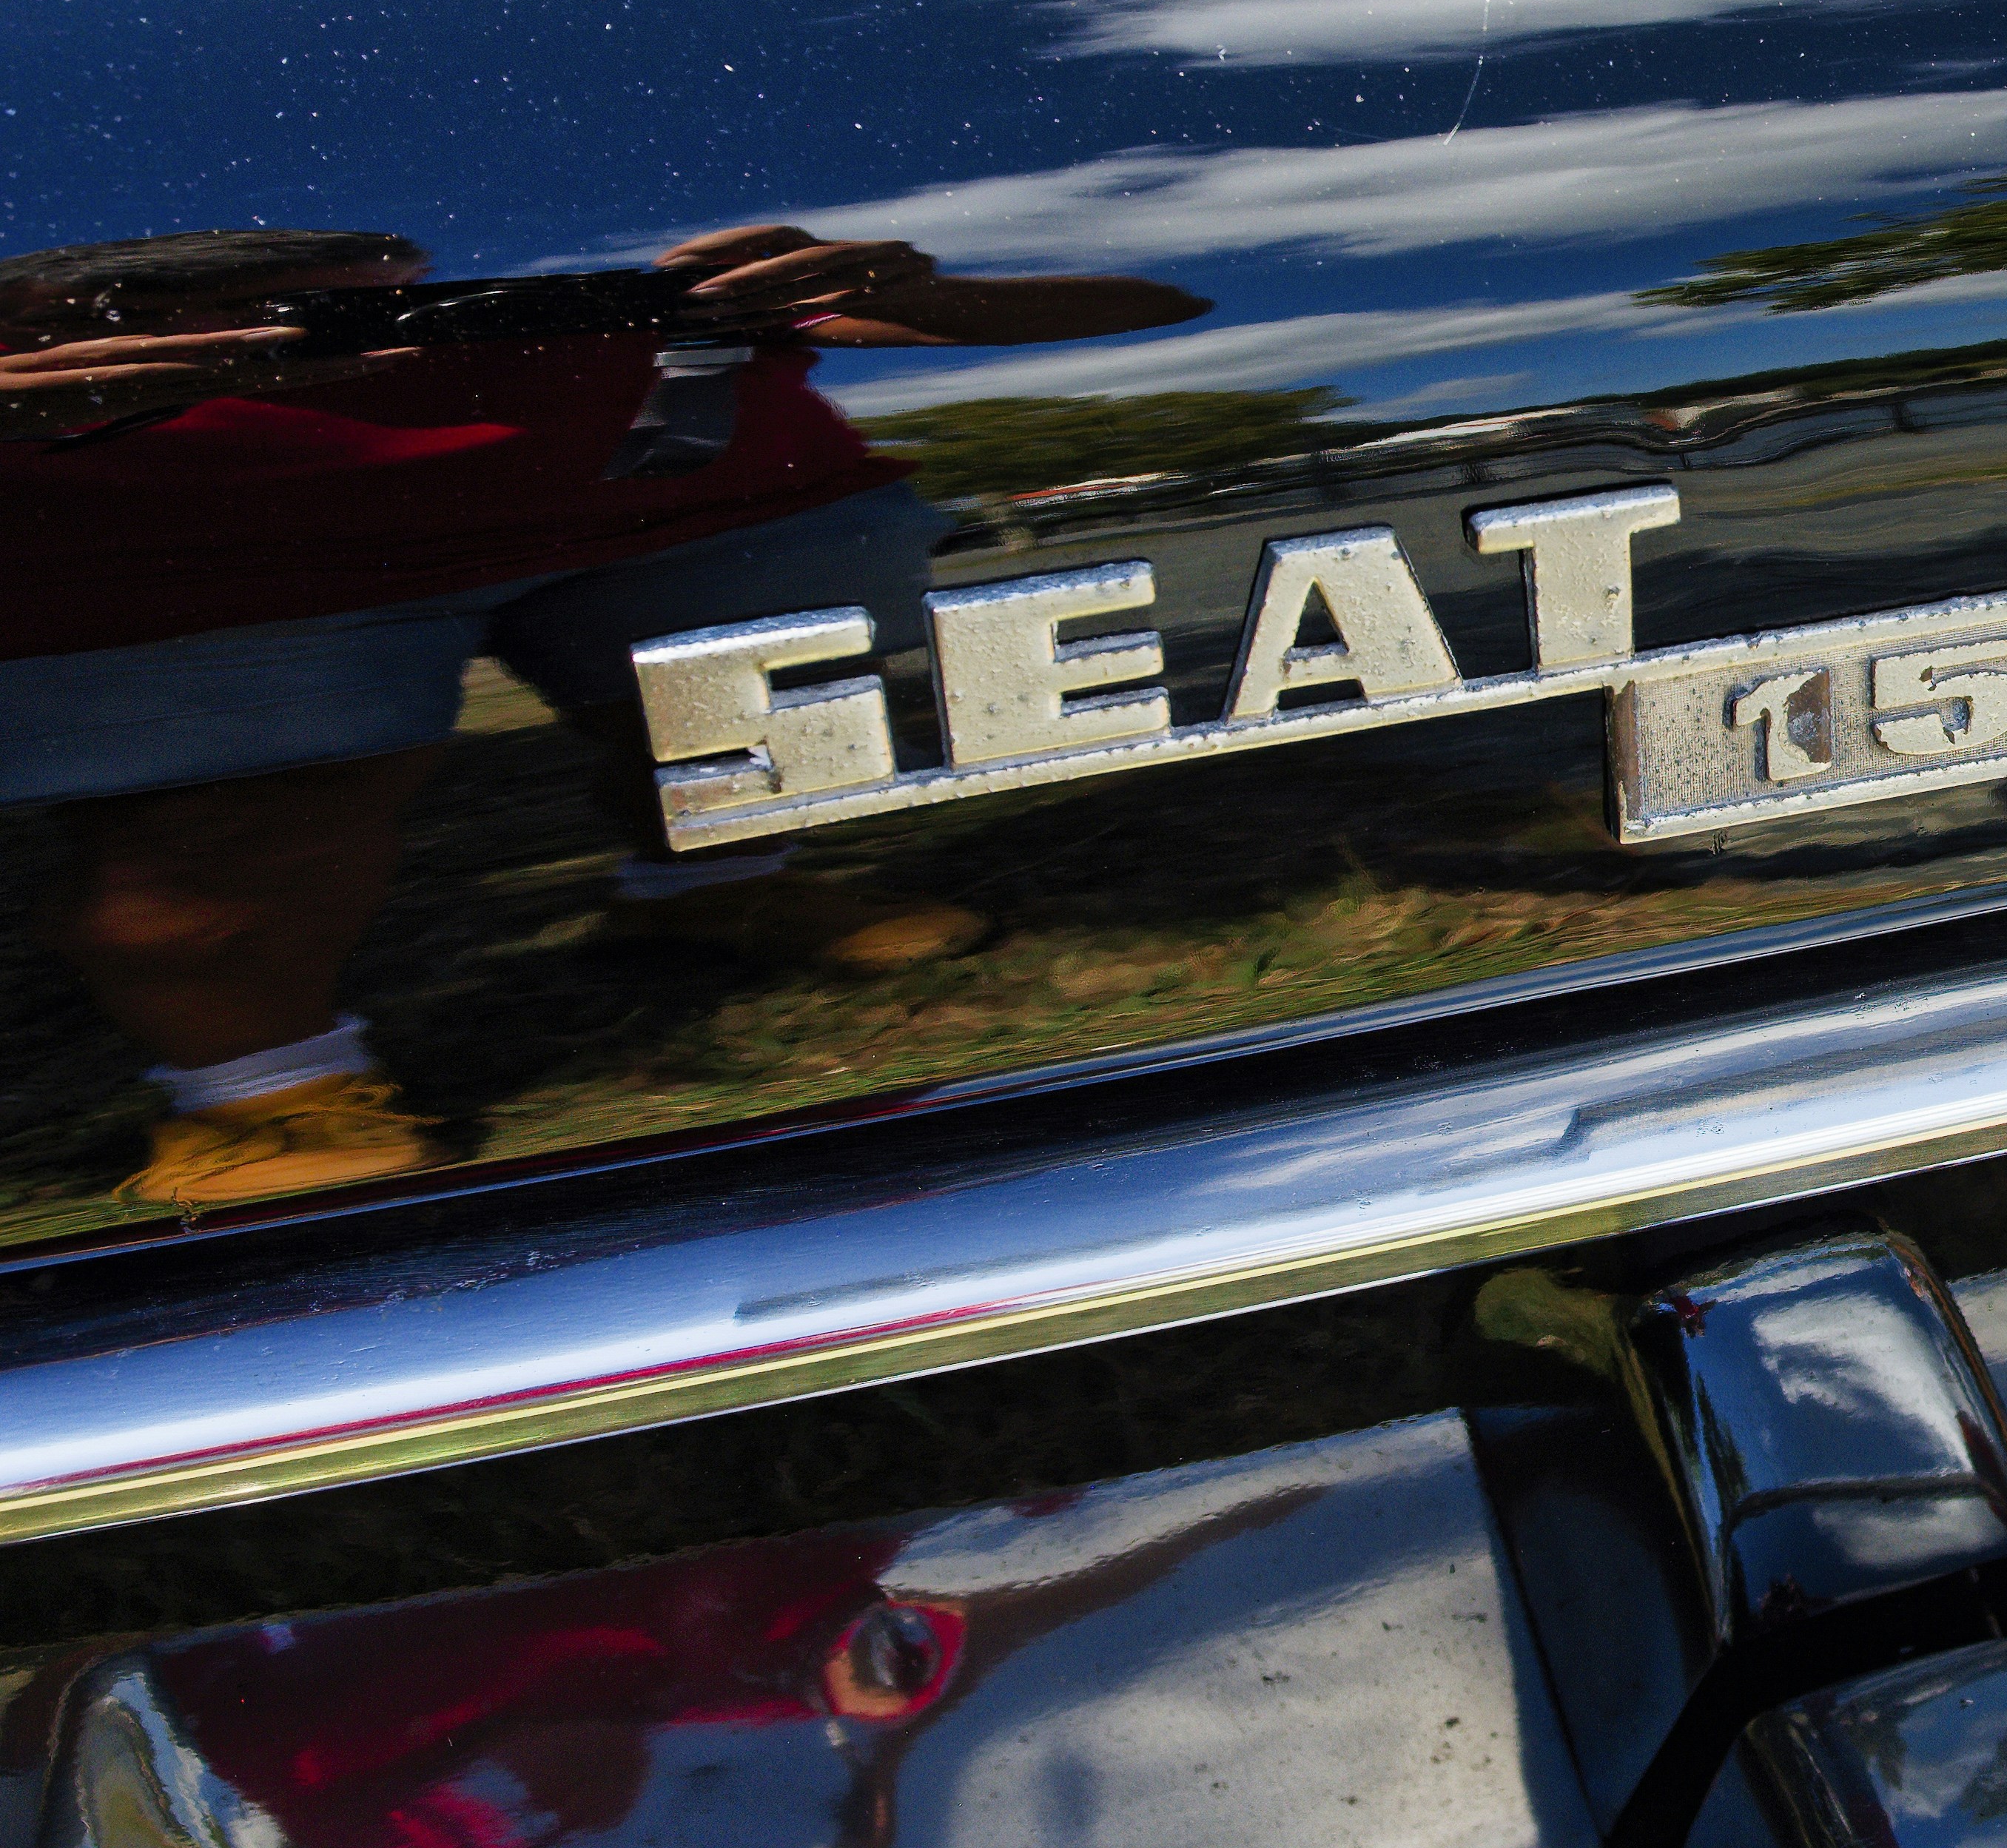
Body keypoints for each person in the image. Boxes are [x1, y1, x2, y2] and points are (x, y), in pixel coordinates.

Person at [0, 224, 1207, 1210]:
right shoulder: (52, 378)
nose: (377, 332)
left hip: (674, 517)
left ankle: (715, 893)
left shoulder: (598, 319)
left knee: (741, 726)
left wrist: (925, 288)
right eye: (292, 316)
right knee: (228, 840)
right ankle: (262, 1091)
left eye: (393, 300)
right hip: (209, 551)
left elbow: (1152, 301)